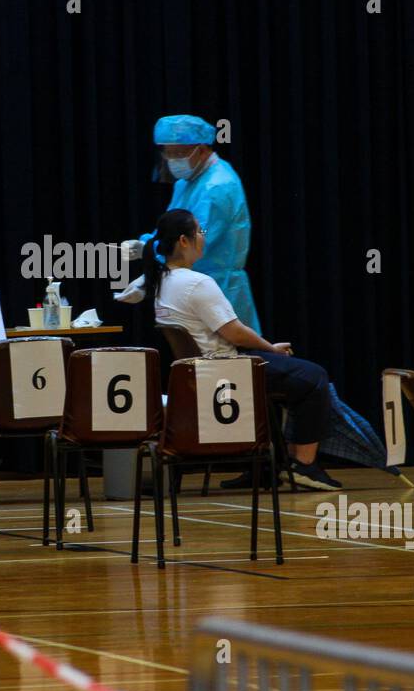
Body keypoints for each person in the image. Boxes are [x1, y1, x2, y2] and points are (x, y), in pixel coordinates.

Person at [143, 208, 342, 492]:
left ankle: (263, 468)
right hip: (227, 370)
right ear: (184, 241)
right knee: (314, 378)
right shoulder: (196, 282)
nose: (203, 238)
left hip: (203, 371)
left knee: (284, 375)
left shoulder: (162, 282)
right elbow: (234, 331)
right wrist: (270, 347)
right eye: (200, 232)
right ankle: (304, 466)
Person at [119, 114, 262, 333]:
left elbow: (195, 241)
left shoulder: (216, 188)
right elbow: (173, 227)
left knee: (232, 357)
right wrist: (146, 244)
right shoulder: (188, 182)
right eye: (168, 152)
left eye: (179, 153)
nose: (172, 159)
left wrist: (150, 270)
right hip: (192, 285)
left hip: (217, 285)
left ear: (202, 150)